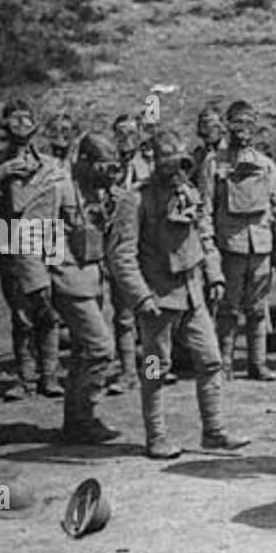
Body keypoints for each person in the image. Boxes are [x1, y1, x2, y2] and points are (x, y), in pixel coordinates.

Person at [107, 130, 249, 459]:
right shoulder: (135, 200)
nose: (177, 173)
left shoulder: (190, 192)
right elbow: (121, 257)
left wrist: (213, 275)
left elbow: (205, 235)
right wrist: (141, 297)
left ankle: (213, 432)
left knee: (211, 360)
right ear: (155, 163)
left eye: (182, 165)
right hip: (157, 298)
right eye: (169, 166)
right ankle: (156, 437)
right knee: (156, 369)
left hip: (192, 293)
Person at [0, 98, 65, 401]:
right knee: (22, 314)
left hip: (47, 238)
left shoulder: (52, 163)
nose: (22, 125)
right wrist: (0, 176)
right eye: (15, 119)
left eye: (27, 118)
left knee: (49, 310)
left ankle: (50, 375)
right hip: (10, 239)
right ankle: (26, 377)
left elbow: (63, 203)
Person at [198, 100, 276, 381]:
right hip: (230, 246)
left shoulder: (266, 165)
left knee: (258, 307)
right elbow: (205, 210)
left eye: (248, 124)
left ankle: (258, 363)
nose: (242, 131)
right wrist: (209, 247)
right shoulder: (213, 164)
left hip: (261, 245)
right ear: (228, 126)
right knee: (228, 308)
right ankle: (224, 362)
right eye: (237, 124)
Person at [54, 133, 123, 443]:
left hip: (92, 278)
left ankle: (75, 421)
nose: (105, 175)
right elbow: (34, 233)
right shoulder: (59, 186)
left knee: (83, 351)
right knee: (101, 349)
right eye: (100, 167)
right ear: (83, 161)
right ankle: (85, 416)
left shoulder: (96, 189)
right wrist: (39, 283)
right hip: (67, 278)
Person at [104, 113, 154, 394]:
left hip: (145, 246)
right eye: (120, 133)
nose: (126, 139)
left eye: (131, 133)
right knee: (122, 313)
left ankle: (154, 369)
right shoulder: (109, 167)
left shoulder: (149, 164)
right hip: (117, 245)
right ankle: (127, 373)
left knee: (149, 311)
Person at [191, 104, 228, 185]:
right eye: (204, 126)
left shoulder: (232, 154)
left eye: (212, 126)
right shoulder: (197, 157)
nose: (207, 131)